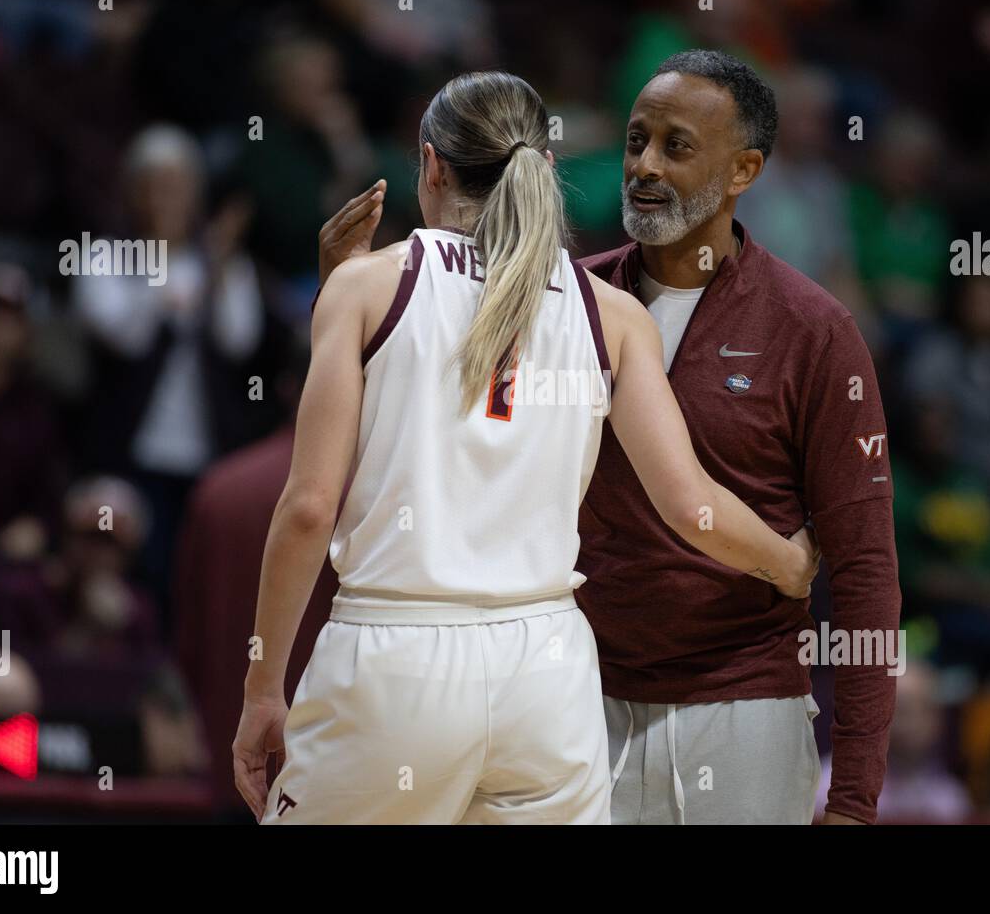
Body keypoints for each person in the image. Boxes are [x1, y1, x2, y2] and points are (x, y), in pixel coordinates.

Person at [323, 51, 903, 826]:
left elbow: (865, 569)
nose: (644, 166)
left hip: (744, 704)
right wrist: (348, 320)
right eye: (636, 141)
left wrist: (857, 800)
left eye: (677, 146)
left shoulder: (814, 332)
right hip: (566, 695)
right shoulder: (558, 301)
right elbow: (416, 452)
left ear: (745, 170)